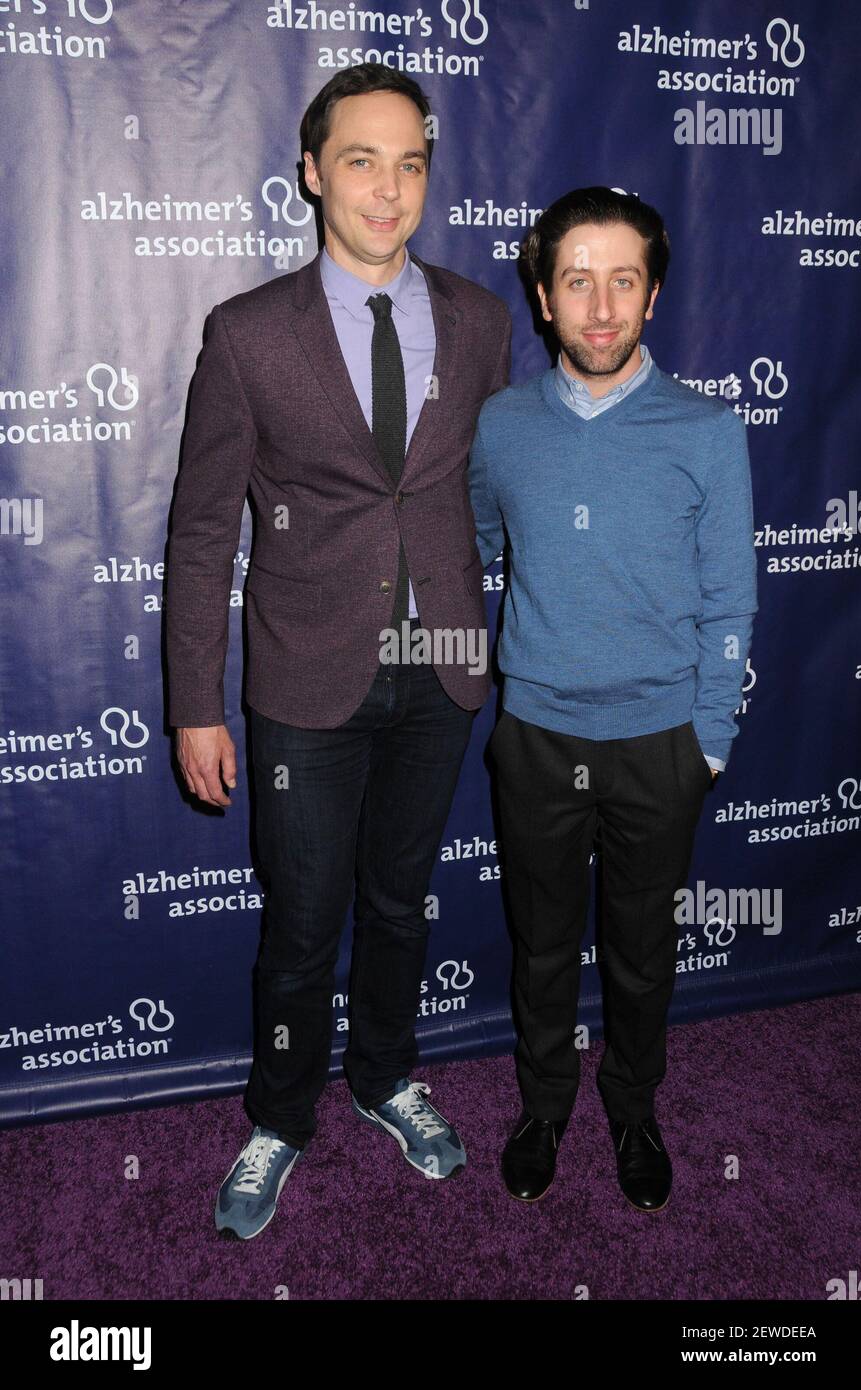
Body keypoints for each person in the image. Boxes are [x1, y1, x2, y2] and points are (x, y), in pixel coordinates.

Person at [165, 63, 511, 1240]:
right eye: (359, 160)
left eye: (409, 161)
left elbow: (491, 492)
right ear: (311, 172)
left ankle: (381, 1078)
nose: (387, 186)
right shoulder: (248, 332)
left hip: (444, 664)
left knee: (401, 904)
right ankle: (277, 1115)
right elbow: (204, 526)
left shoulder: (478, 318)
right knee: (302, 918)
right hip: (303, 673)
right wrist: (193, 705)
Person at [468, 187, 758, 1211]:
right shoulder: (499, 425)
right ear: (542, 297)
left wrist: (708, 742)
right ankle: (543, 1104)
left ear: (652, 294)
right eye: (576, 281)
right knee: (541, 944)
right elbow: (482, 551)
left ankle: (632, 1107)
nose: (599, 306)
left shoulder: (707, 430)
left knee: (640, 953)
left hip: (660, 743)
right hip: (538, 737)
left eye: (621, 280)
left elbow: (730, 592)